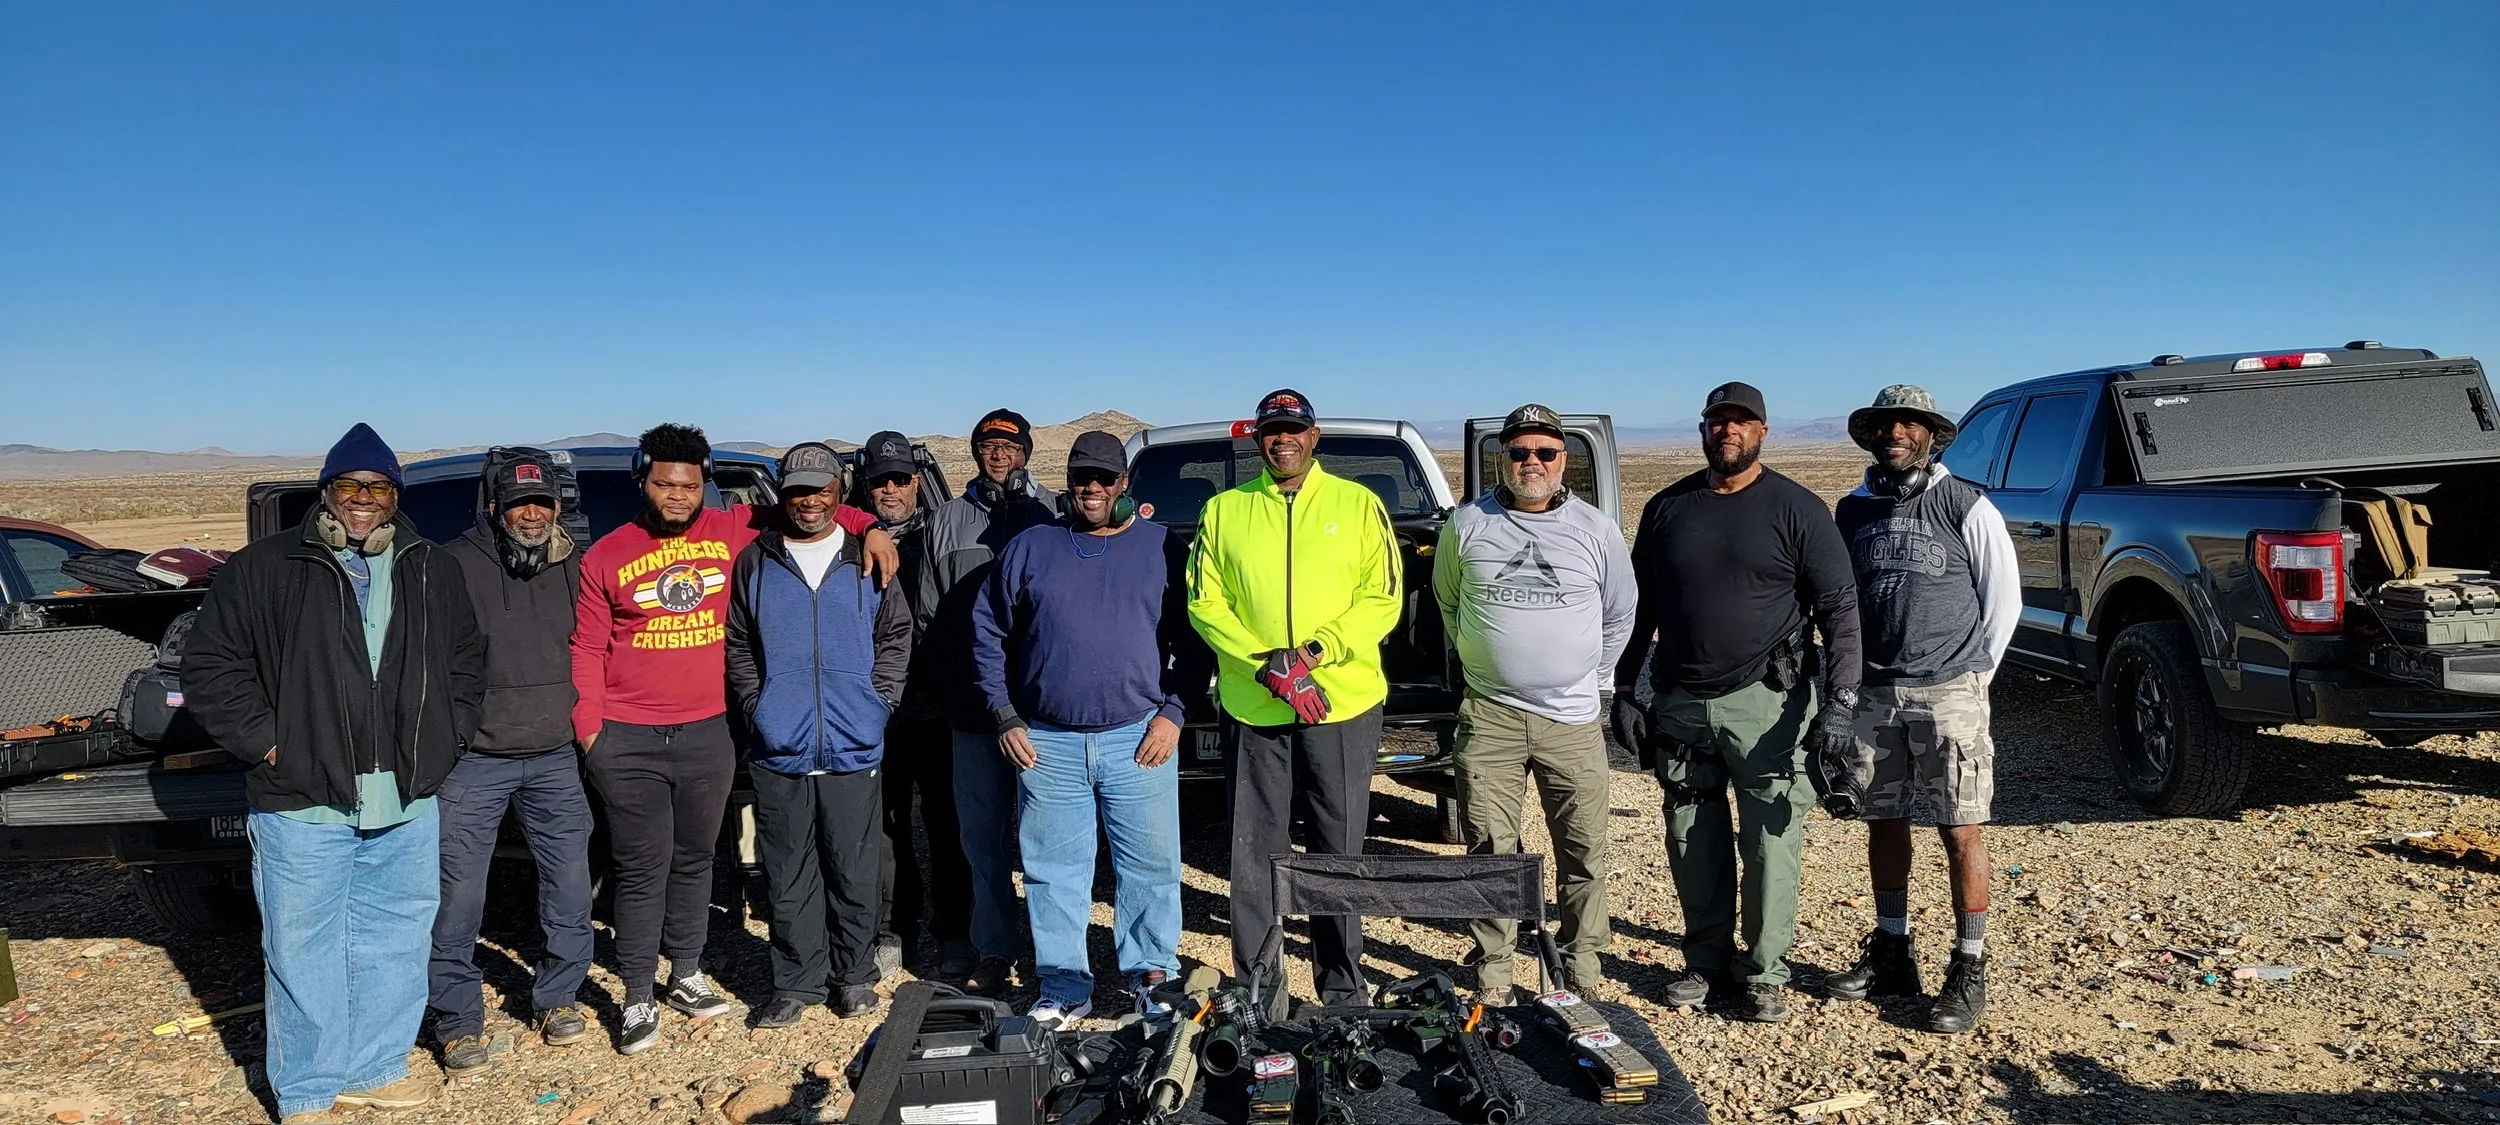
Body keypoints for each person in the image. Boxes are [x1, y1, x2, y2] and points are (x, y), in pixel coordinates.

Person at [183, 423, 485, 1124]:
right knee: (303, 945)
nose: (362, 500)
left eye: (377, 488)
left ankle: (376, 1066)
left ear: (394, 498)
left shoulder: (429, 566)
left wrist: (450, 738)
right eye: (349, 486)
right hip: (303, 799)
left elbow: (468, 664)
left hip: (407, 799)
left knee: (396, 934)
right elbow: (211, 668)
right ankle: (311, 1087)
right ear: (326, 491)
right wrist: (271, 742)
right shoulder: (265, 568)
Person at [569, 423, 893, 1055]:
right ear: (645, 481)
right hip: (628, 735)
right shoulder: (606, 553)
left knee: (695, 861)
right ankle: (637, 993)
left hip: (709, 729)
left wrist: (870, 526)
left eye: (689, 485)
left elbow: (813, 505)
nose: (677, 496)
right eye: (664, 483)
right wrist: (590, 735)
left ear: (705, 486)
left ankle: (686, 973)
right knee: (640, 867)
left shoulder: (732, 528)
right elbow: (585, 647)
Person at [1609, 382, 1861, 1024]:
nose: (1728, 431)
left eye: (1741, 422)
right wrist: (1624, 690)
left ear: (1763, 432)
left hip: (1768, 705)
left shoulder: (1798, 509)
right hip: (1682, 702)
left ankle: (1766, 972)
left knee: (1771, 840)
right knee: (1692, 835)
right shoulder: (1667, 508)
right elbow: (1643, 611)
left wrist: (1840, 700)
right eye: (1717, 421)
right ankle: (1705, 960)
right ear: (1703, 430)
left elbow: (1839, 610)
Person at [971, 432, 1201, 1029]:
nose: (1092, 489)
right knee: (1053, 868)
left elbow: (1195, 642)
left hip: (1139, 738)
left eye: (1104, 478)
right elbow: (987, 631)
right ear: (1068, 481)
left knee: (1150, 865)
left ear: (1125, 482)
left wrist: (1174, 713)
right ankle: (1065, 984)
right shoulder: (1032, 547)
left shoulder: (1162, 548)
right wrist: (1004, 713)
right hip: (1047, 741)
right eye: (1081, 478)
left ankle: (1151, 976)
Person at [1187, 389, 1403, 1015]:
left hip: (1340, 704)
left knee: (1338, 848)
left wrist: (1310, 654)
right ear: (1257, 438)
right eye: (1272, 429)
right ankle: (1261, 987)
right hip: (1256, 706)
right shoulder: (1224, 510)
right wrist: (1267, 667)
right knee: (1255, 850)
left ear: (1314, 437)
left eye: (1294, 429)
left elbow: (1381, 597)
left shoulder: (1358, 505)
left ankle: (1341, 986)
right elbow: (1206, 601)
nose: (1283, 439)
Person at [1821, 385, 2020, 1035]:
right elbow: (1836, 602)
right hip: (1876, 691)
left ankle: (1969, 966)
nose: (1896, 433)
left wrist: (1974, 679)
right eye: (1886, 424)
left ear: (1932, 434)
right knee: (1884, 821)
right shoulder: (1851, 511)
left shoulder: (1966, 504)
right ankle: (1892, 951)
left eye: (1910, 423)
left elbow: (2003, 599)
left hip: (1950, 690)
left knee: (1961, 828)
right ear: (1871, 436)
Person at [1433, 404, 1636, 1003]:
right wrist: (1480, 656)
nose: (1531, 463)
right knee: (1489, 847)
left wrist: (1591, 676)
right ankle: (1495, 968)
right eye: (1519, 452)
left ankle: (1583, 967)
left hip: (1571, 720)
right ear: (1503, 458)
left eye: (1544, 452)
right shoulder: (1468, 523)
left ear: (1563, 460)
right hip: (1490, 714)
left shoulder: (1595, 529)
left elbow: (1620, 613)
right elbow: (1449, 601)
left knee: (1582, 848)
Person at [727, 442, 916, 1030]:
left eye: (821, 489)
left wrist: (877, 704)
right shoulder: (757, 561)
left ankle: (854, 975)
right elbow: (738, 644)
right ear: (782, 495)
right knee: (786, 871)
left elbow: (895, 635)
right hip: (779, 746)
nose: (809, 501)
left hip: (852, 742)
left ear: (840, 491)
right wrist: (761, 707)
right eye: (798, 491)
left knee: (854, 866)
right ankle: (796, 981)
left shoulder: (866, 557)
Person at [428, 449, 596, 1075]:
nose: (532, 514)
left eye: (543, 502)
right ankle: (456, 1019)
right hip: (474, 762)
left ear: (557, 508)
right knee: (457, 896)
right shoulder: (450, 564)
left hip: (555, 756)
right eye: (520, 502)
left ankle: (558, 997)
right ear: (494, 507)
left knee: (570, 884)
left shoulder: (574, 564)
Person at [917, 409, 1060, 996]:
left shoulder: (1052, 513)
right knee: (982, 840)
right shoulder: (946, 522)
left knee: (1048, 840)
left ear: (1025, 451)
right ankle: (994, 950)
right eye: (986, 444)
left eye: (1008, 444)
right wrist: (950, 690)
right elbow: (928, 616)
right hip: (975, 713)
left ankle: (1055, 956)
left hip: (1044, 712)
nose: (997, 453)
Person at [857, 430, 977, 981]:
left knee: (949, 825)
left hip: (938, 707)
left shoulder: (940, 533)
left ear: (915, 482)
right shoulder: (844, 541)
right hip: (873, 712)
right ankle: (893, 929)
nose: (890, 489)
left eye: (900, 479)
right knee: (885, 829)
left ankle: (954, 930)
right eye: (880, 480)